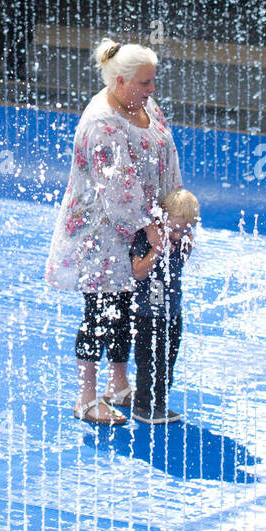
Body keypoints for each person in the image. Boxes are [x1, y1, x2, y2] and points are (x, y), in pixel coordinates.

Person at [46, 38, 183, 426]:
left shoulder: (145, 106)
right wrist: (152, 229)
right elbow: (118, 190)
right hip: (99, 235)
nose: (152, 89)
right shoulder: (101, 123)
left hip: (135, 228)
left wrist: (174, 209)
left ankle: (118, 384)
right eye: (144, 82)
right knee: (99, 313)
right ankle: (86, 399)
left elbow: (167, 156)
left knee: (124, 310)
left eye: (153, 81)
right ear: (120, 82)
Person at [129, 188, 199, 424]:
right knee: (149, 360)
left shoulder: (181, 242)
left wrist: (186, 243)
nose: (178, 235)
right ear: (161, 220)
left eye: (185, 230)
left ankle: (159, 403)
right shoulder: (147, 240)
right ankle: (142, 405)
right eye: (175, 229)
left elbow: (181, 263)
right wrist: (157, 251)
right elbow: (138, 272)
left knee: (168, 359)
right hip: (147, 313)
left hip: (171, 312)